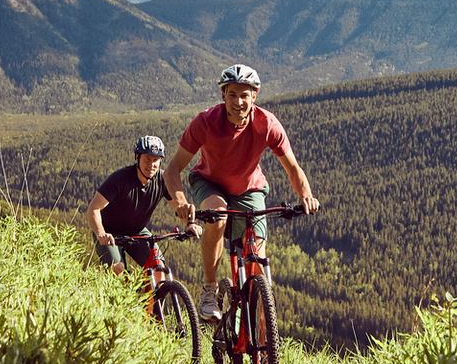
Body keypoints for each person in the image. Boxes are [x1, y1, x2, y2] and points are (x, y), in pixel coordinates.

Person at [166, 63, 320, 320]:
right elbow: (172, 170)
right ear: (223, 95)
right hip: (209, 182)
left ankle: (261, 324)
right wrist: (180, 202)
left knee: (256, 256)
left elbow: (292, 167)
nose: (238, 101)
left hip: (249, 187)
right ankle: (210, 290)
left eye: (244, 95)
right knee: (218, 215)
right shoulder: (205, 123)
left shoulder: (267, 124)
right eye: (232, 94)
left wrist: (306, 195)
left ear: (254, 96)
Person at [87, 134, 172, 268]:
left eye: (156, 160)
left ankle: (157, 289)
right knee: (117, 269)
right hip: (110, 232)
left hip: (137, 231)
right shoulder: (120, 179)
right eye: (147, 159)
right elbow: (93, 209)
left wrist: (190, 223)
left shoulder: (163, 179)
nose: (151, 165)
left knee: (158, 266)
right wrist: (101, 233)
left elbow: (179, 206)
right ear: (137, 158)